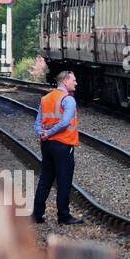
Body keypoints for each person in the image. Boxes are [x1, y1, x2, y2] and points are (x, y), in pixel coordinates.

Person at [31, 70, 84, 225]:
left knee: (45, 180)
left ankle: (36, 215)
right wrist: (49, 133)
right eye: (74, 80)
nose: (76, 83)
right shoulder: (68, 100)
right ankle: (64, 216)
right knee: (64, 180)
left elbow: (37, 123)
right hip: (63, 144)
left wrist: (42, 134)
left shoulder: (45, 98)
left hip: (47, 146)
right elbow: (65, 122)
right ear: (65, 81)